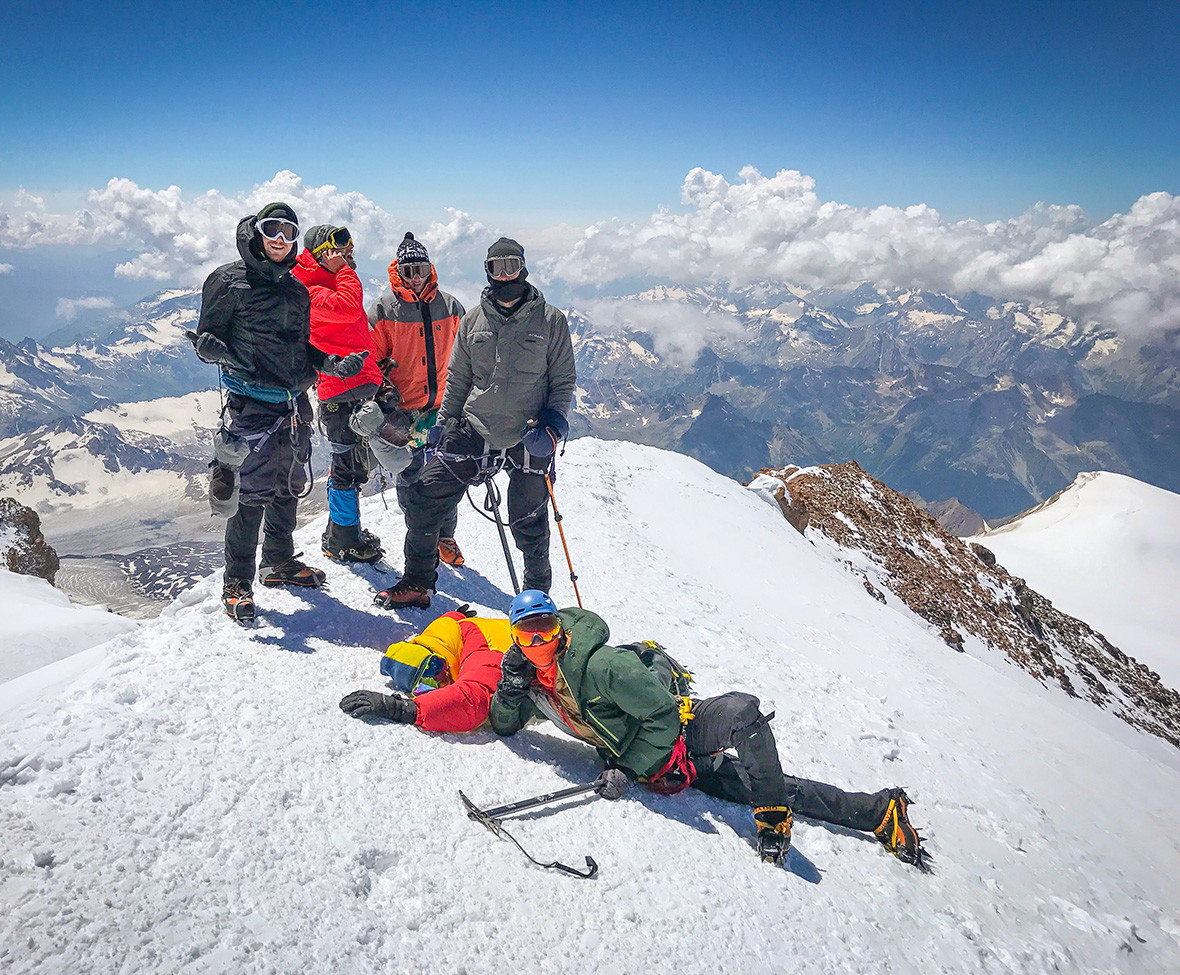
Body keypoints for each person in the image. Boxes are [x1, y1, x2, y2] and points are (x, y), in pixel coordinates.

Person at [487, 590, 928, 867]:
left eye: (544, 629)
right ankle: (879, 811)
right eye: (526, 635)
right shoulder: (540, 688)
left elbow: (661, 714)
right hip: (671, 767)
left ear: (560, 630)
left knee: (743, 718)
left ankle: (773, 820)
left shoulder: (602, 666)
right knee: (766, 782)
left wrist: (629, 767)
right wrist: (509, 692)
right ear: (516, 640)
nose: (537, 641)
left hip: (682, 730)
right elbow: (506, 727)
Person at [191, 203, 368, 623]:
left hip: (291, 406)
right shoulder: (227, 282)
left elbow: (302, 348)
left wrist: (329, 365)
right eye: (272, 229)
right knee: (250, 496)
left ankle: (279, 563)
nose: (280, 239)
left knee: (288, 488)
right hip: (250, 405)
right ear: (256, 232)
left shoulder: (295, 291)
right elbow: (207, 335)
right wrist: (206, 348)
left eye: (289, 232)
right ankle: (237, 583)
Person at [376, 238, 576, 609]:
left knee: (529, 521)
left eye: (511, 265)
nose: (505, 274)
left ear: (523, 267)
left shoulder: (550, 320)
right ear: (487, 271)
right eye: (497, 267)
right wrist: (446, 421)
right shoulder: (472, 320)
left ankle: (537, 604)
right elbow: (459, 377)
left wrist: (551, 425)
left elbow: (562, 380)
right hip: (474, 426)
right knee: (424, 498)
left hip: (528, 431)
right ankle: (418, 582)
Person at [367, 232, 467, 566]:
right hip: (404, 411)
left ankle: (445, 537)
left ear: (430, 267)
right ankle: (419, 537)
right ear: (398, 270)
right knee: (409, 477)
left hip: (444, 408)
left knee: (446, 476)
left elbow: (468, 355)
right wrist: (384, 401)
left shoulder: (451, 306)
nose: (415, 276)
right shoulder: (383, 310)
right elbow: (371, 362)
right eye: (408, 270)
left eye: (420, 268)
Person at [293, 224, 385, 564]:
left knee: (353, 465)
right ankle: (343, 541)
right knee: (346, 467)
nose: (349, 254)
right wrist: (344, 270)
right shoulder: (311, 289)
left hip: (353, 387)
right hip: (340, 391)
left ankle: (342, 533)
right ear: (323, 252)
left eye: (349, 249)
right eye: (340, 248)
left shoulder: (325, 283)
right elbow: (347, 309)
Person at [338, 607, 510, 732]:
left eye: (435, 666)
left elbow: (473, 700)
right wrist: (457, 615)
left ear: (437, 652)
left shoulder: (479, 650)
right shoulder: (442, 634)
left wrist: (404, 709)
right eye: (426, 684)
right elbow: (448, 620)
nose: (441, 680)